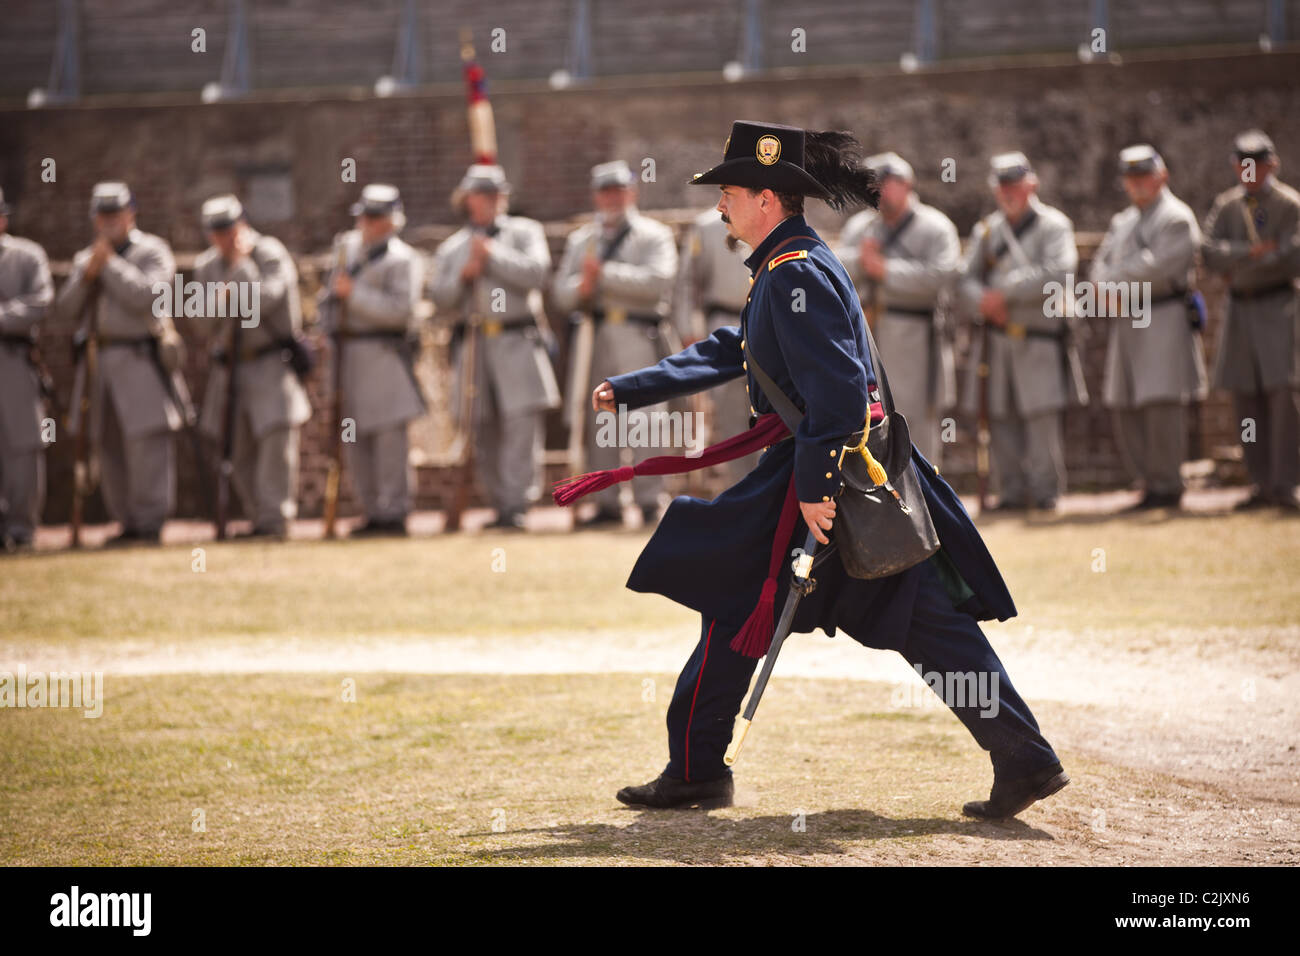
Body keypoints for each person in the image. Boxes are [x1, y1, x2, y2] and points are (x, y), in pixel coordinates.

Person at [595, 121, 1067, 819]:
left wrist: (815, 493)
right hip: (840, 469)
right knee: (903, 618)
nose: (719, 205)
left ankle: (695, 768)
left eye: (728, 191)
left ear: (767, 198)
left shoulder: (796, 273)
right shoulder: (788, 267)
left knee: (851, 611)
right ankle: (1022, 757)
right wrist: (639, 385)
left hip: (826, 475)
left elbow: (841, 393)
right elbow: (742, 345)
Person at [54, 182, 188, 546]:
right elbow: (64, 310)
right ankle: (125, 521)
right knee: (107, 443)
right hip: (98, 365)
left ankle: (149, 523)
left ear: (131, 213)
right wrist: (87, 275)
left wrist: (110, 265)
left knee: (146, 445)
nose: (109, 221)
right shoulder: (87, 259)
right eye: (103, 214)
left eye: (116, 213)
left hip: (140, 357)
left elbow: (148, 297)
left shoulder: (152, 251)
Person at [429, 164, 560, 531]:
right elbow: (439, 299)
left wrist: (492, 255)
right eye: (482, 195)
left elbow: (537, 274)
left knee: (521, 424)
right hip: (474, 342)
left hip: (517, 338)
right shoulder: (453, 247)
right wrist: (464, 273)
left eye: (496, 194)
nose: (490, 201)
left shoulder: (525, 232)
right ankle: (498, 502)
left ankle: (517, 505)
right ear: (468, 200)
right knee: (480, 424)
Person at [956, 153, 1087, 512]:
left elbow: (1060, 271)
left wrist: (1005, 293)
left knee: (1040, 417)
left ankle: (1046, 493)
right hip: (996, 342)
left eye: (1014, 185)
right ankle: (1010, 492)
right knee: (1000, 417)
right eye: (1002, 186)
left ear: (1032, 185)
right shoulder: (987, 231)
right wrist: (983, 301)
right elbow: (963, 281)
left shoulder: (1053, 226)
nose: (1008, 192)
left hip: (1037, 337)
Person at [552, 160, 677, 527]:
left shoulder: (653, 234)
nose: (612, 198)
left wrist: (605, 275)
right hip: (594, 334)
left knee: (645, 418)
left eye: (619, 190)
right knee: (599, 418)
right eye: (605, 191)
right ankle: (607, 502)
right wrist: (581, 288)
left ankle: (651, 500)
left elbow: (659, 281)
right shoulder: (581, 240)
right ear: (596, 195)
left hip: (638, 333)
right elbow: (561, 294)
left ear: (631, 193)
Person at [1091, 145, 1207, 511]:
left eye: (1144, 177)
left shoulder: (1176, 218)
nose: (1138, 185)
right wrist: (1105, 283)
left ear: (1161, 176)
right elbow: (1099, 265)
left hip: (1161, 315)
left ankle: (1168, 483)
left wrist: (1112, 280)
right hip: (1127, 316)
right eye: (1132, 179)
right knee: (1126, 403)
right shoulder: (1122, 221)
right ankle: (1147, 480)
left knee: (1161, 402)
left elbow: (1157, 267)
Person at [194, 195, 312, 539]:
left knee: (274, 444)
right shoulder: (206, 266)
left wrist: (241, 272)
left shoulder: (269, 253)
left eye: (228, 229)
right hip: (229, 368)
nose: (223, 238)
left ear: (242, 223)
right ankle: (257, 515)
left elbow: (261, 302)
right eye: (216, 231)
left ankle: (275, 521)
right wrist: (228, 292)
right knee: (235, 446)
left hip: (269, 361)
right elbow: (202, 322)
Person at [835, 151, 959, 466]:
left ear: (907, 185)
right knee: (870, 415)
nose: (880, 191)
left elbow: (943, 276)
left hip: (916, 336)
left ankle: (924, 495)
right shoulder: (860, 227)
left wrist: (886, 271)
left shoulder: (935, 227)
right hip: (869, 333)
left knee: (915, 417)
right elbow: (833, 267)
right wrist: (863, 263)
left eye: (888, 184)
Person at [1202, 130, 1300, 512]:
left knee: (1282, 397)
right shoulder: (1227, 207)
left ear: (1271, 165)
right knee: (1247, 400)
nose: (1248, 173)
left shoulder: (1289, 205)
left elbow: (1293, 256)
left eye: (1255, 166)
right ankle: (1258, 481)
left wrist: (1242, 263)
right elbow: (1210, 252)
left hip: (1278, 307)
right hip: (1240, 310)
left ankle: (1285, 482)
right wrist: (1253, 252)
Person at [324, 184, 426, 537]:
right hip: (348, 357)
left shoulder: (403, 259)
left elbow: (401, 312)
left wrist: (355, 296)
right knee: (355, 440)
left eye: (375, 217)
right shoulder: (344, 250)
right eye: (364, 215)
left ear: (391, 221)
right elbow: (329, 300)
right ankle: (369, 510)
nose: (366, 223)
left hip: (384, 357)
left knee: (388, 440)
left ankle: (393, 512)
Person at [672, 207, 756, 489]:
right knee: (730, 414)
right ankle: (741, 488)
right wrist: (688, 330)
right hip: (723, 321)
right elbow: (687, 283)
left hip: (766, 319)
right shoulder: (707, 226)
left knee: (770, 411)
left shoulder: (771, 215)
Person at [0, 187, 55, 552]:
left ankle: (22, 529)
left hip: (13, 359)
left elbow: (41, 303)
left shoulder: (27, 255)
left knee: (24, 444)